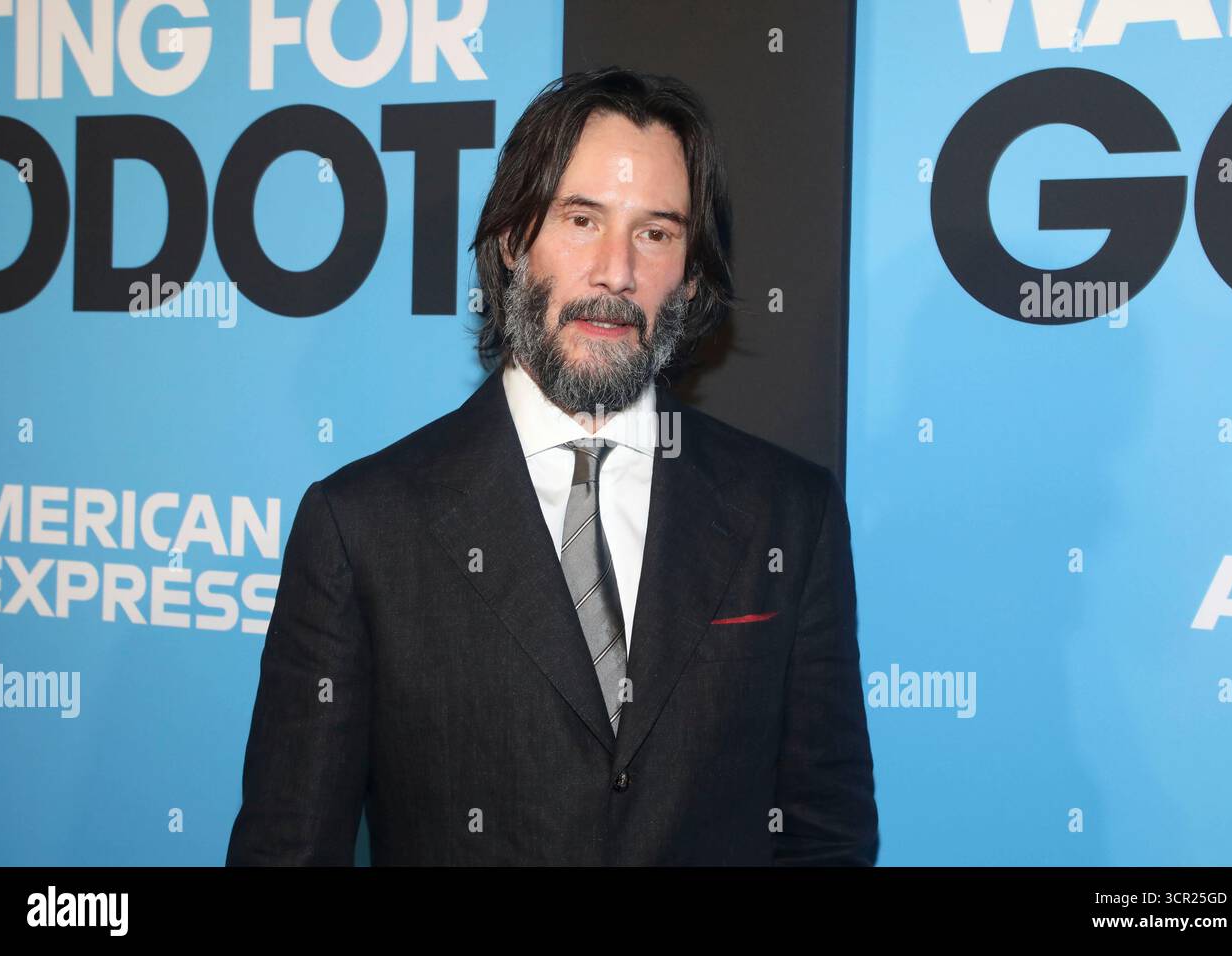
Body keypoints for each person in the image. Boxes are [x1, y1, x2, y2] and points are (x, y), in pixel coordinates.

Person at [226, 66, 878, 866]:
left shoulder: (789, 512)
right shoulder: (362, 526)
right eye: (580, 219)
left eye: (656, 232)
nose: (616, 271)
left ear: (693, 275)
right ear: (511, 241)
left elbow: (827, 834)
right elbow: (289, 851)